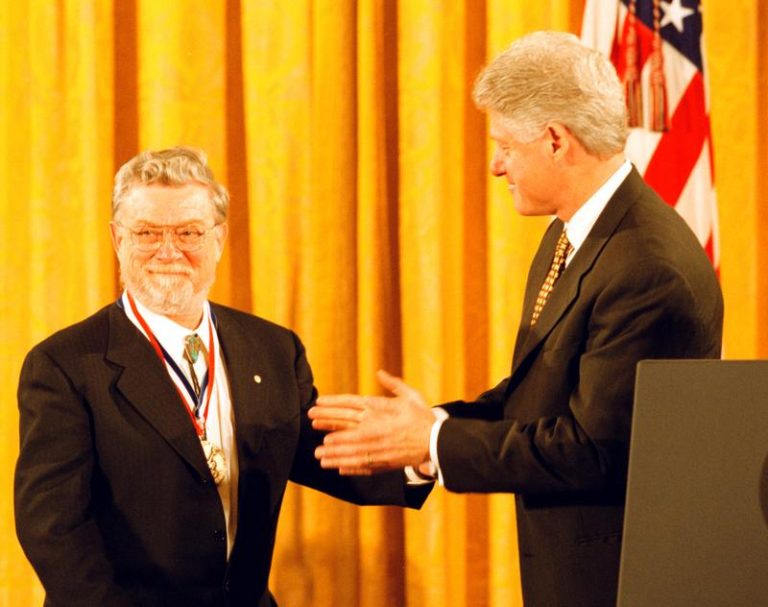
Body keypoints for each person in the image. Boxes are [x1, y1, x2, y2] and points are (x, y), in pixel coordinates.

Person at [309, 31, 723, 607]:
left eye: (505, 145)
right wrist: (432, 424)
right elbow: (543, 394)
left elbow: (590, 449)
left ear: (555, 140)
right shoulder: (573, 233)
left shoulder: (647, 266)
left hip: (618, 583)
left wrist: (432, 440)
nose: (495, 166)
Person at [14, 146, 431, 607]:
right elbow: (52, 528)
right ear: (117, 239)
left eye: (189, 232)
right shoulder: (65, 365)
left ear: (219, 238)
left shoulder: (273, 349)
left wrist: (422, 451)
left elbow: (324, 455)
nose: (168, 251)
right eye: (147, 232)